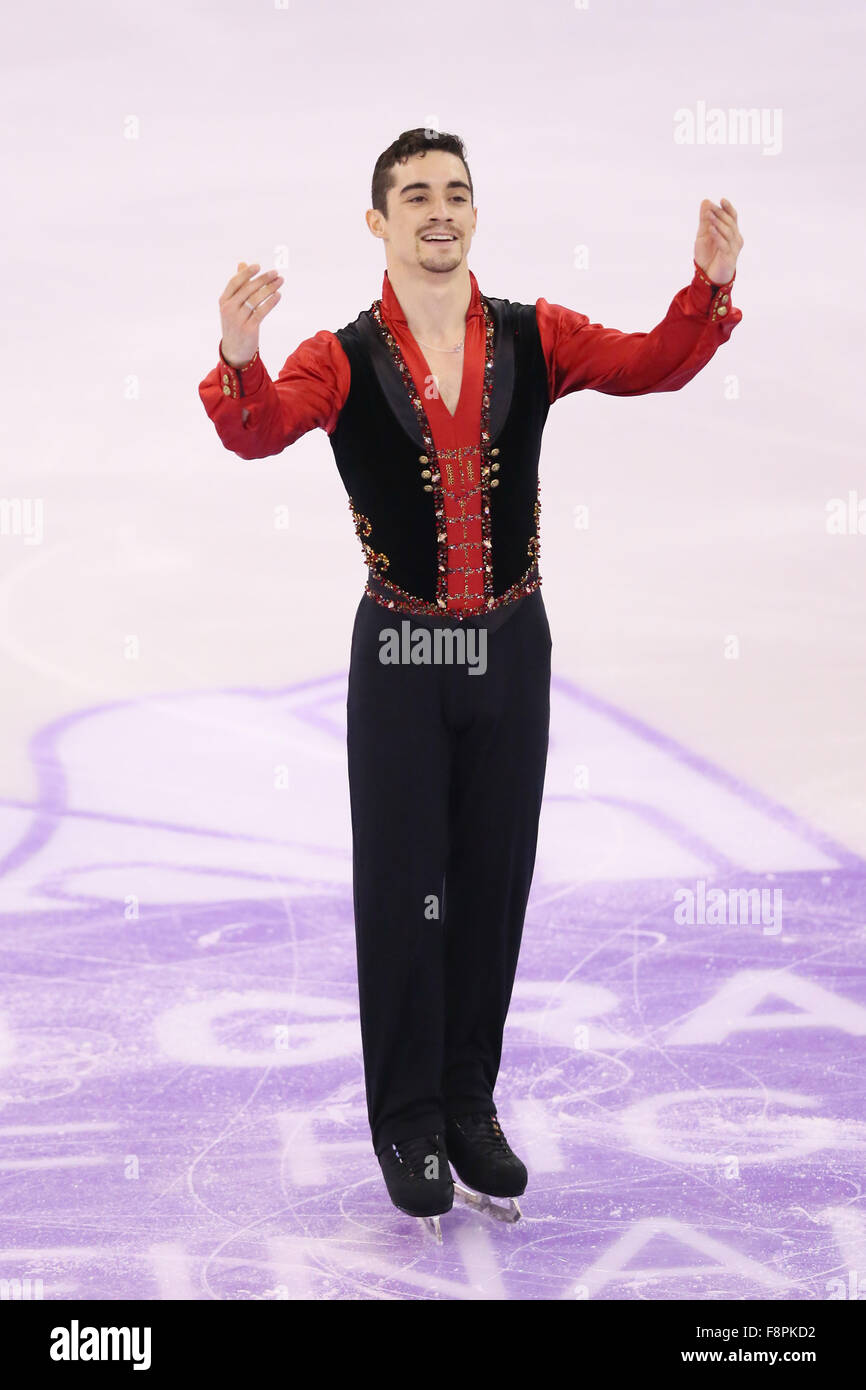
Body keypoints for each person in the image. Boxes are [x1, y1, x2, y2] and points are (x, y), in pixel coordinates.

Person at [198, 128, 744, 1226]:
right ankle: (404, 1115)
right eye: (413, 196)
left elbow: (651, 362)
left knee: (488, 883)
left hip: (509, 645)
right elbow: (255, 431)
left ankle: (466, 1101)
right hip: (402, 654)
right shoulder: (338, 355)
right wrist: (239, 351)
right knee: (408, 889)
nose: (436, 211)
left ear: (474, 214)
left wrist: (707, 289)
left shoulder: (535, 336)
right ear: (377, 223)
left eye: (454, 194)